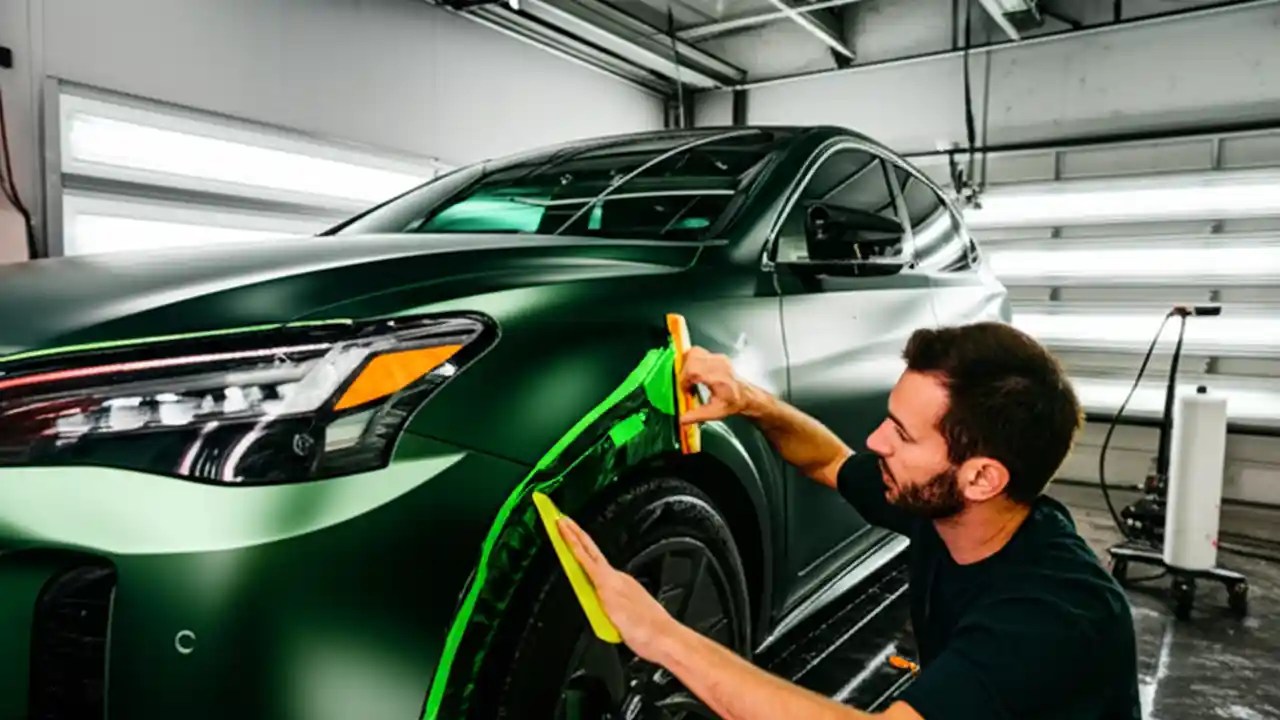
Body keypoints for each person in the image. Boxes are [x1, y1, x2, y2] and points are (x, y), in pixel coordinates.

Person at [559, 321, 1141, 719]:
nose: (876, 440)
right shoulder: (953, 510)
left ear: (982, 477)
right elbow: (830, 460)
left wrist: (659, 634)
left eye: (903, 435)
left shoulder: (1052, 618)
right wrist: (750, 401)